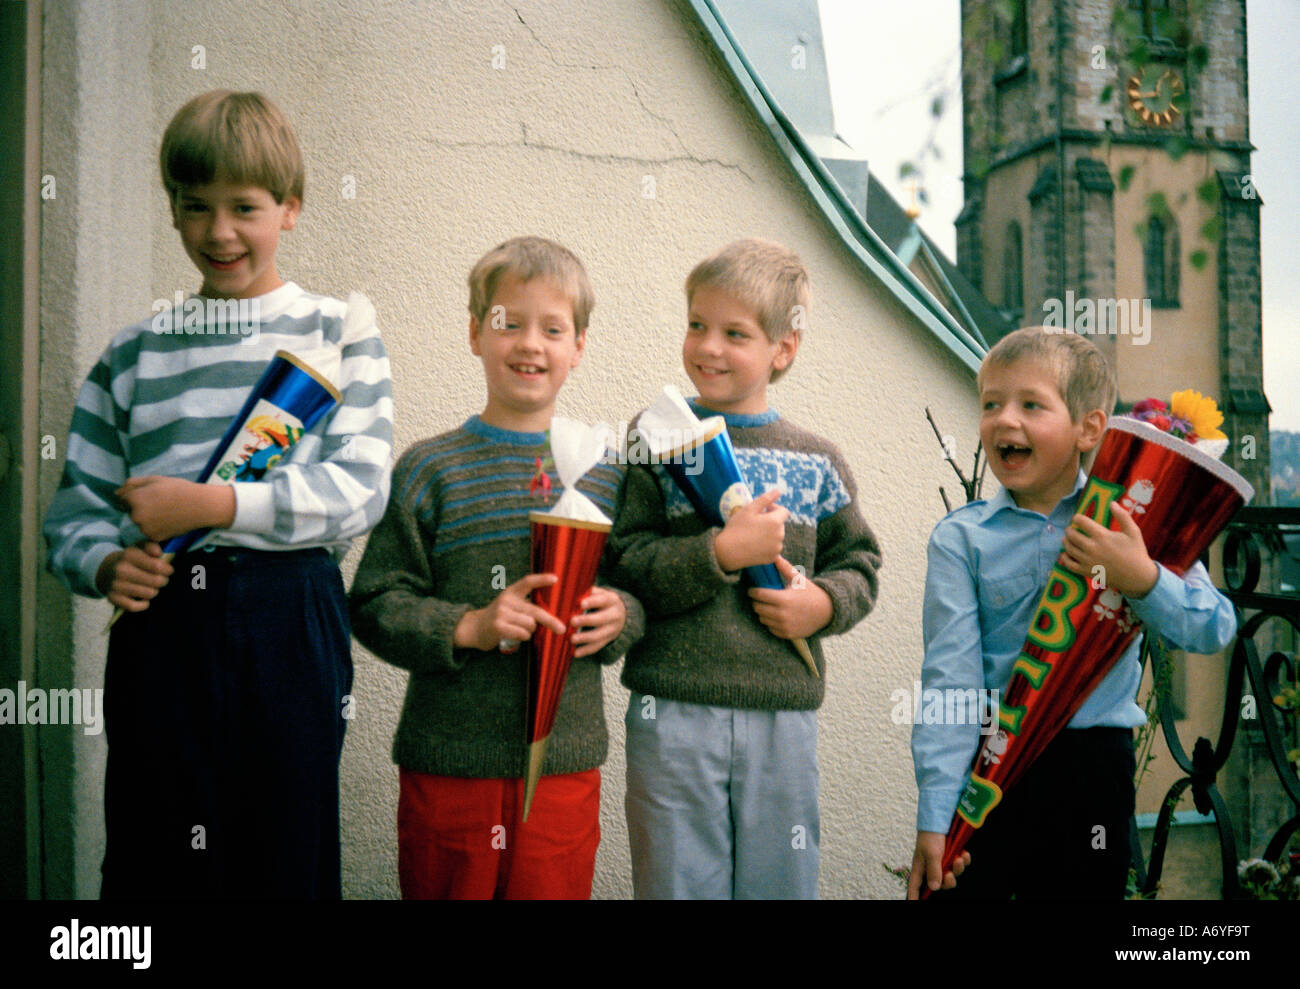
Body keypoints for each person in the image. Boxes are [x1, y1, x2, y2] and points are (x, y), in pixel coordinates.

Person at [43, 90, 393, 898]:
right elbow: (75, 510)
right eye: (195, 207)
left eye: (246, 207)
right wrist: (102, 566)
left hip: (292, 613)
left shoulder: (338, 332)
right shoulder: (131, 354)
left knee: (286, 849)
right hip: (163, 623)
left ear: (292, 209)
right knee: (154, 852)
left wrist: (215, 508)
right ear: (171, 210)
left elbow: (358, 490)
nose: (220, 231)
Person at [348, 235, 644, 899]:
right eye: (509, 322)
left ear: (579, 346)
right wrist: (470, 625)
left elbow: (639, 588)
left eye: (553, 328)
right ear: (476, 332)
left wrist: (621, 616)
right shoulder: (431, 469)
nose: (529, 343)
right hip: (451, 769)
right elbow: (373, 602)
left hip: (563, 770)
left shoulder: (606, 474)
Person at [909, 325, 1237, 900]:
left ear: (1089, 428)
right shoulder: (961, 540)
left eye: (1031, 404)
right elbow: (948, 683)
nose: (1004, 419)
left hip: (1092, 773)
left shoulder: (1134, 523)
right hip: (989, 765)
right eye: (991, 404)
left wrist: (1143, 578)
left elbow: (1213, 627)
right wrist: (936, 814)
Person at [607, 238, 882, 899]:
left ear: (781, 349)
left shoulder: (817, 459)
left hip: (780, 715)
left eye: (735, 332)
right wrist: (719, 554)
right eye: (697, 324)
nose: (708, 345)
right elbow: (628, 562)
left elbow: (862, 563)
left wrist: (821, 605)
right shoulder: (654, 438)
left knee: (779, 881)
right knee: (675, 882)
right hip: (671, 707)